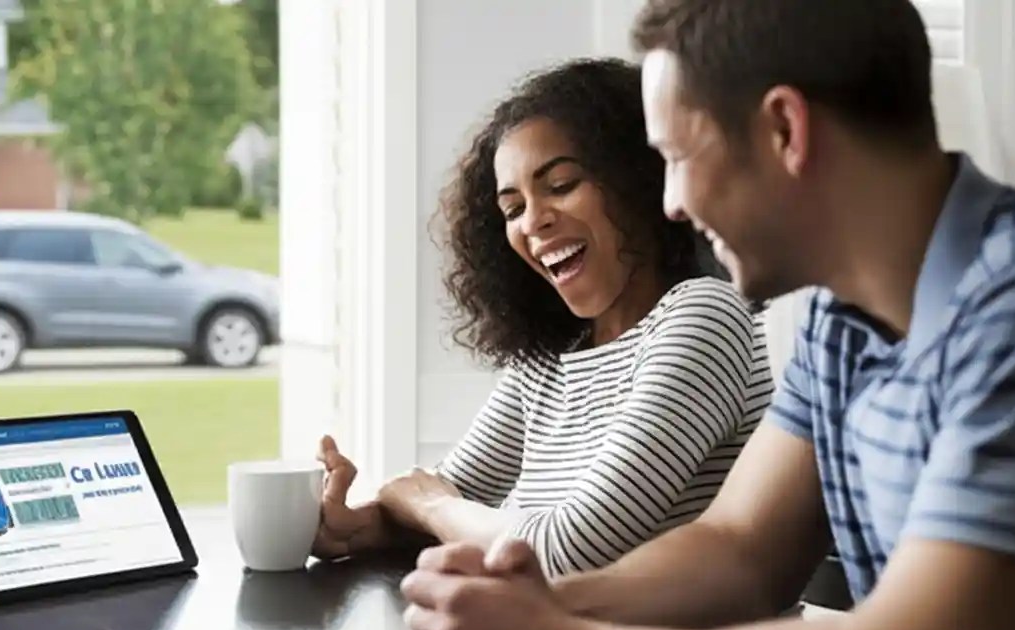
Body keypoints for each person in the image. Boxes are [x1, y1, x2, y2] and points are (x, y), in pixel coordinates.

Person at [400, 1, 1015, 630]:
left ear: (785, 130)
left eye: (676, 157)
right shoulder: (841, 319)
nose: (668, 203)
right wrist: (540, 605)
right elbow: (739, 548)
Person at [313, 58, 773, 577]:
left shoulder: (705, 317)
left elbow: (570, 552)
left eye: (560, 185)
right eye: (512, 209)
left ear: (639, 179)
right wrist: (359, 526)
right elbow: (457, 491)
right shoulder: (555, 354)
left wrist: (428, 504)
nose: (534, 221)